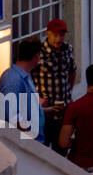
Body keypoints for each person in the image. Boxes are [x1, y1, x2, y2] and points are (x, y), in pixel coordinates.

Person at [33, 18, 77, 152]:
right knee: (43, 147)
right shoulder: (39, 52)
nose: (59, 39)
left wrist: (68, 91)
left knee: (62, 147)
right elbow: (29, 76)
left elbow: (72, 71)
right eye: (55, 35)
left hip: (64, 108)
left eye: (61, 35)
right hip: (46, 110)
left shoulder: (68, 49)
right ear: (48, 34)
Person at [0, 37, 47, 144]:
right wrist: (31, 142)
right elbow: (13, 116)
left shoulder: (25, 75)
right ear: (36, 56)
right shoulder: (12, 79)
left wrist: (43, 111)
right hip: (24, 144)